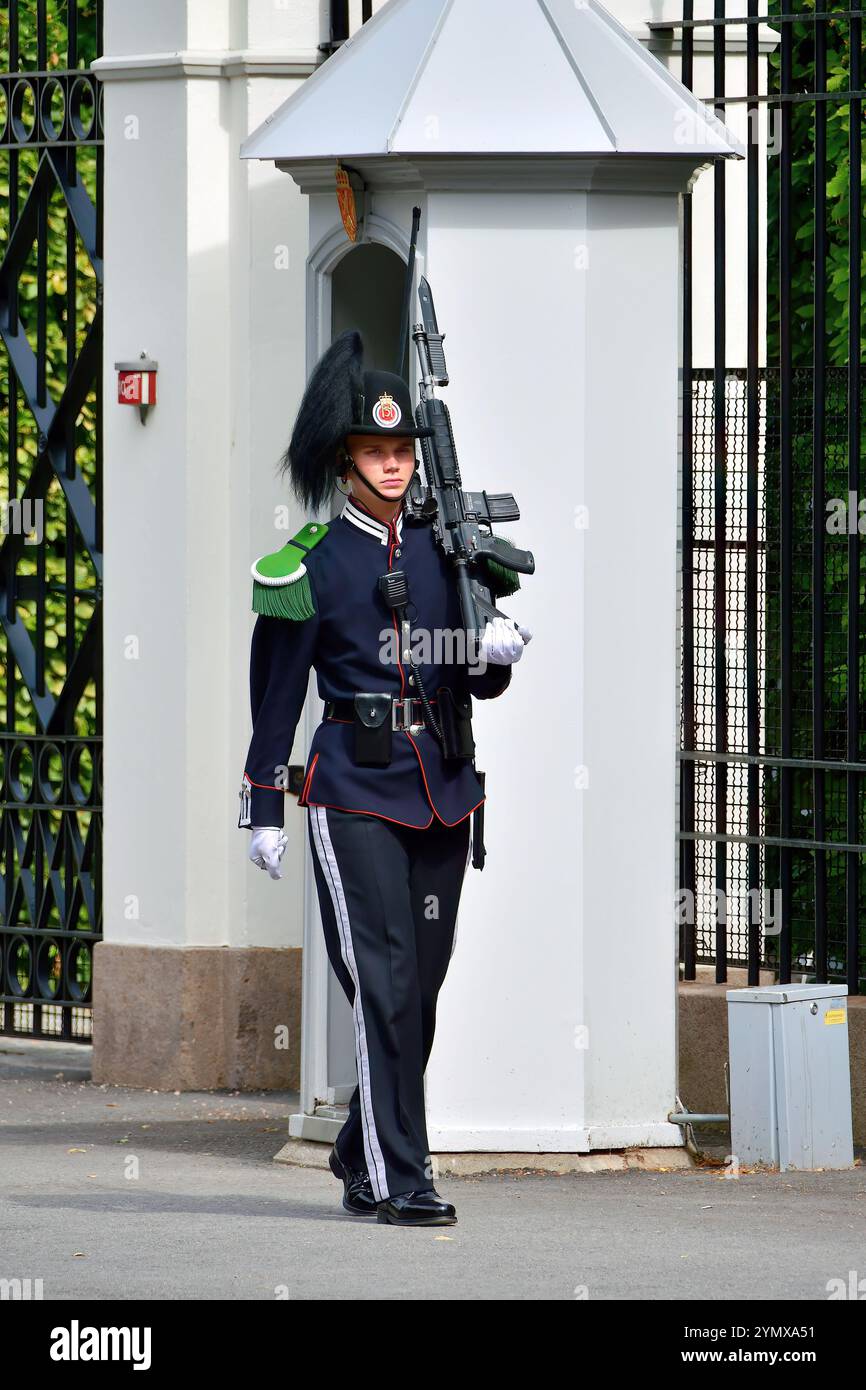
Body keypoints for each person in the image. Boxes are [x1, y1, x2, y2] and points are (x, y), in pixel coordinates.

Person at [238, 329, 532, 1226]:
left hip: (441, 788)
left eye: (402, 450)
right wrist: (263, 803)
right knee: (387, 984)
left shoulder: (448, 551)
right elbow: (277, 696)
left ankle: (357, 1149)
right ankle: (405, 1176)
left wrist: (492, 654)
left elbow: (474, 680)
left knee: (422, 992)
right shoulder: (312, 564)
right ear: (346, 462)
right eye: (376, 451)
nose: (395, 464)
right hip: (355, 791)